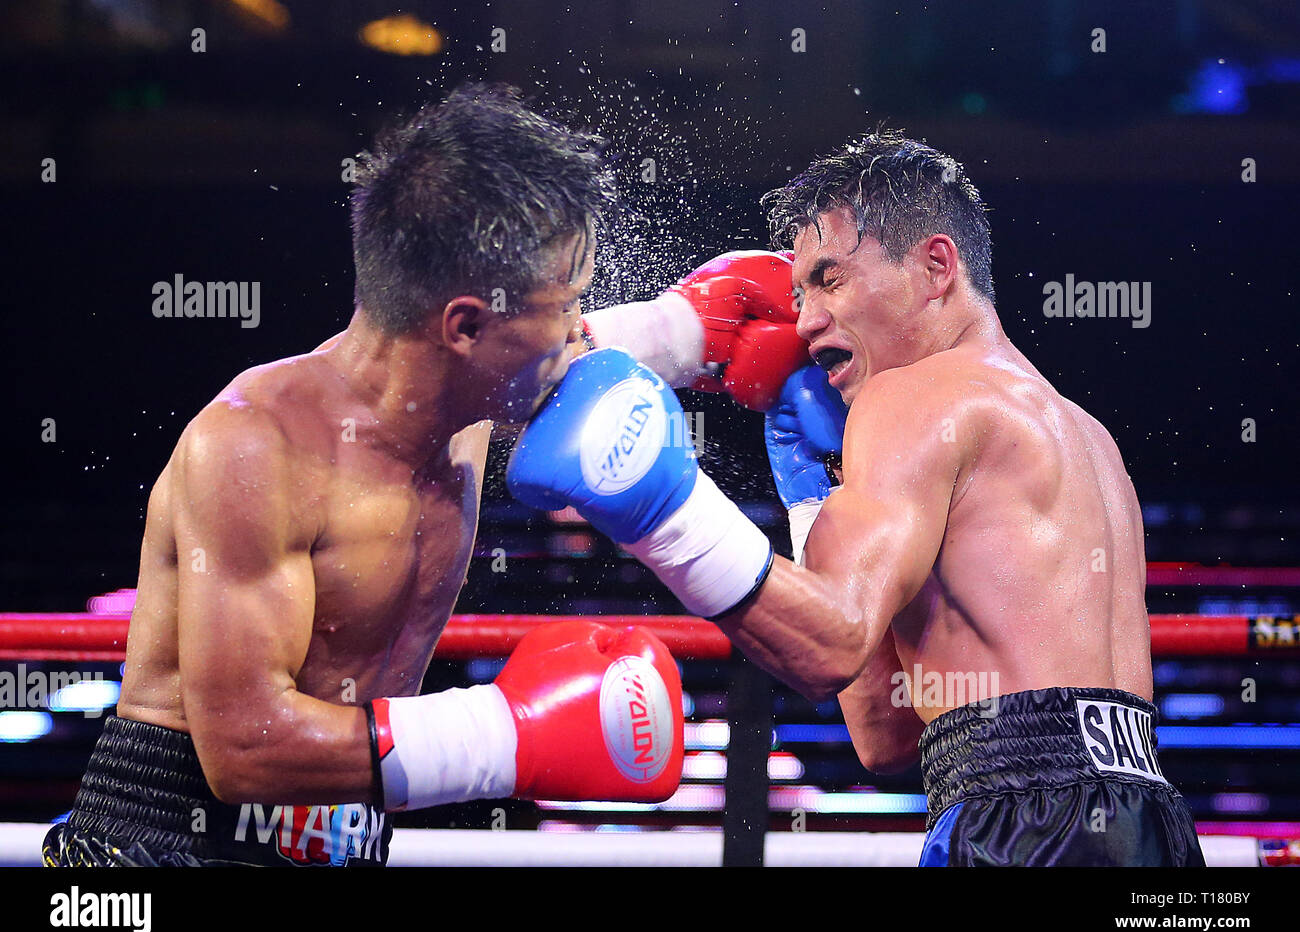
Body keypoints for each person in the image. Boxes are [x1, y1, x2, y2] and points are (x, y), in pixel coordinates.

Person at [507, 130, 1205, 866]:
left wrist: (661, 508)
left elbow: (828, 647)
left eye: (830, 280)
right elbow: (887, 735)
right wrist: (813, 498)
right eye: (799, 292)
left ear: (937, 266)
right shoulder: (1088, 436)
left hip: (1026, 826)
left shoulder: (911, 396)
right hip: (1149, 819)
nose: (804, 320)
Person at [43, 85, 694, 867]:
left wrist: (707, 326)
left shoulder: (475, 392)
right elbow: (245, 750)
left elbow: (595, 344)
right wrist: (506, 735)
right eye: (566, 305)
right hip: (162, 852)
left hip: (347, 844)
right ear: (465, 325)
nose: (577, 330)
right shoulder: (258, 446)